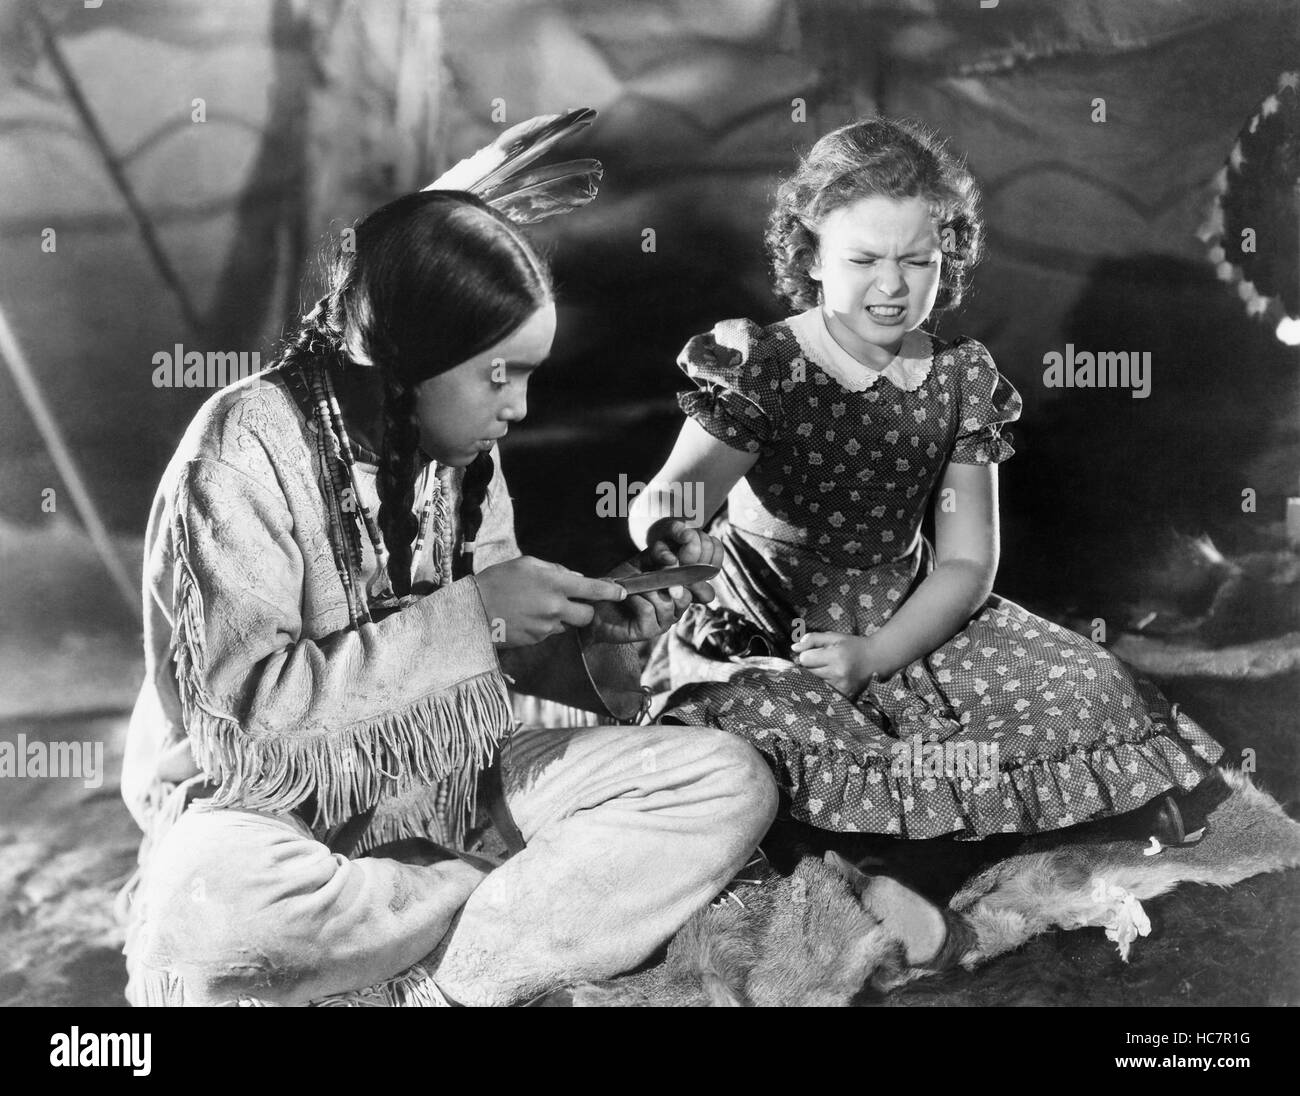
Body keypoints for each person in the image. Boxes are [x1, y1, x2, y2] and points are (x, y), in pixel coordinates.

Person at [119, 173, 777, 1006]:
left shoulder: (461, 453)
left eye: (530, 374)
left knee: (728, 781)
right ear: (402, 361)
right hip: (262, 803)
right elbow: (245, 721)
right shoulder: (239, 448)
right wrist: (475, 618)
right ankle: (495, 905)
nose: (521, 406)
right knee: (216, 916)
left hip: (449, 783)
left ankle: (436, 984)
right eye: (499, 376)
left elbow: (483, 675)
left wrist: (590, 632)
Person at [631, 116, 1224, 862]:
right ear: (812, 257)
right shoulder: (765, 365)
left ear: (950, 258)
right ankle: (902, 843)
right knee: (767, 745)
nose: (891, 285)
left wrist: (878, 653)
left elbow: (967, 565)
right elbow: (674, 492)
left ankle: (947, 833)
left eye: (917, 261)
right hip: (774, 639)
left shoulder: (960, 378)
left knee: (1097, 682)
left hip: (912, 622)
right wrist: (667, 533)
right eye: (864, 259)